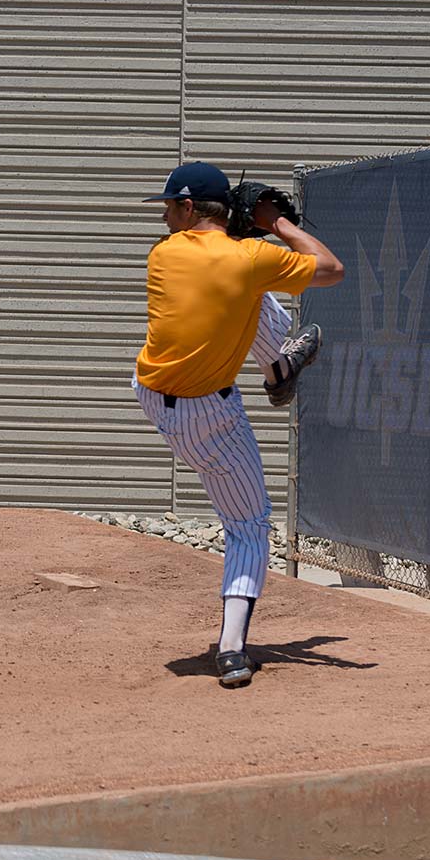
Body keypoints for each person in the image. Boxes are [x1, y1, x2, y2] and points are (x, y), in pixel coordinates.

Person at [134, 162, 344, 688]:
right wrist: (276, 225)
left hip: (154, 399)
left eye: (168, 206)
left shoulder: (162, 256)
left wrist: (239, 233)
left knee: (245, 294)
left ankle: (278, 366)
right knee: (249, 525)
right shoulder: (249, 257)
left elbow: (218, 268)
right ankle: (231, 650)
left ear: (187, 209)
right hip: (212, 416)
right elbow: (331, 268)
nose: (163, 216)